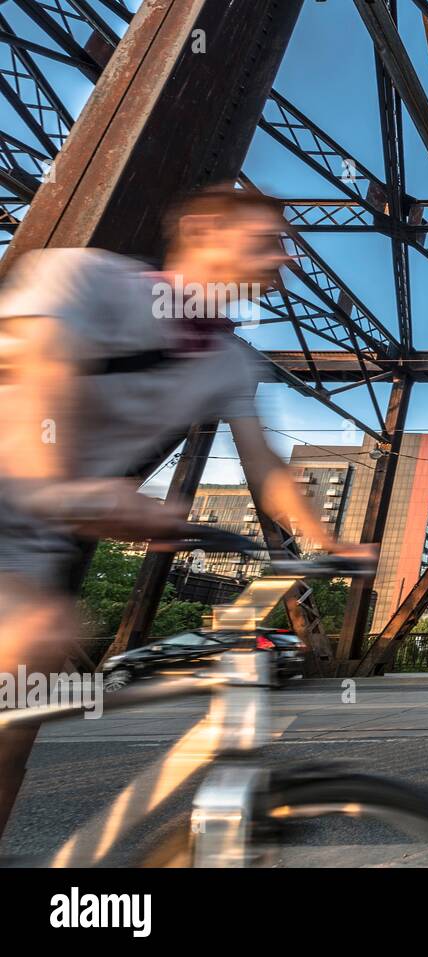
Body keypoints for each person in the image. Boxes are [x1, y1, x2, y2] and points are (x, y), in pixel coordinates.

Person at [0, 183, 374, 837]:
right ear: (203, 231)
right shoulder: (90, 280)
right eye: (267, 242)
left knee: (16, 726)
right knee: (30, 637)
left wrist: (324, 539)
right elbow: (42, 367)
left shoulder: (226, 361)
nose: (284, 258)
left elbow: (265, 468)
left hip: (37, 537)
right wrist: (70, 485)